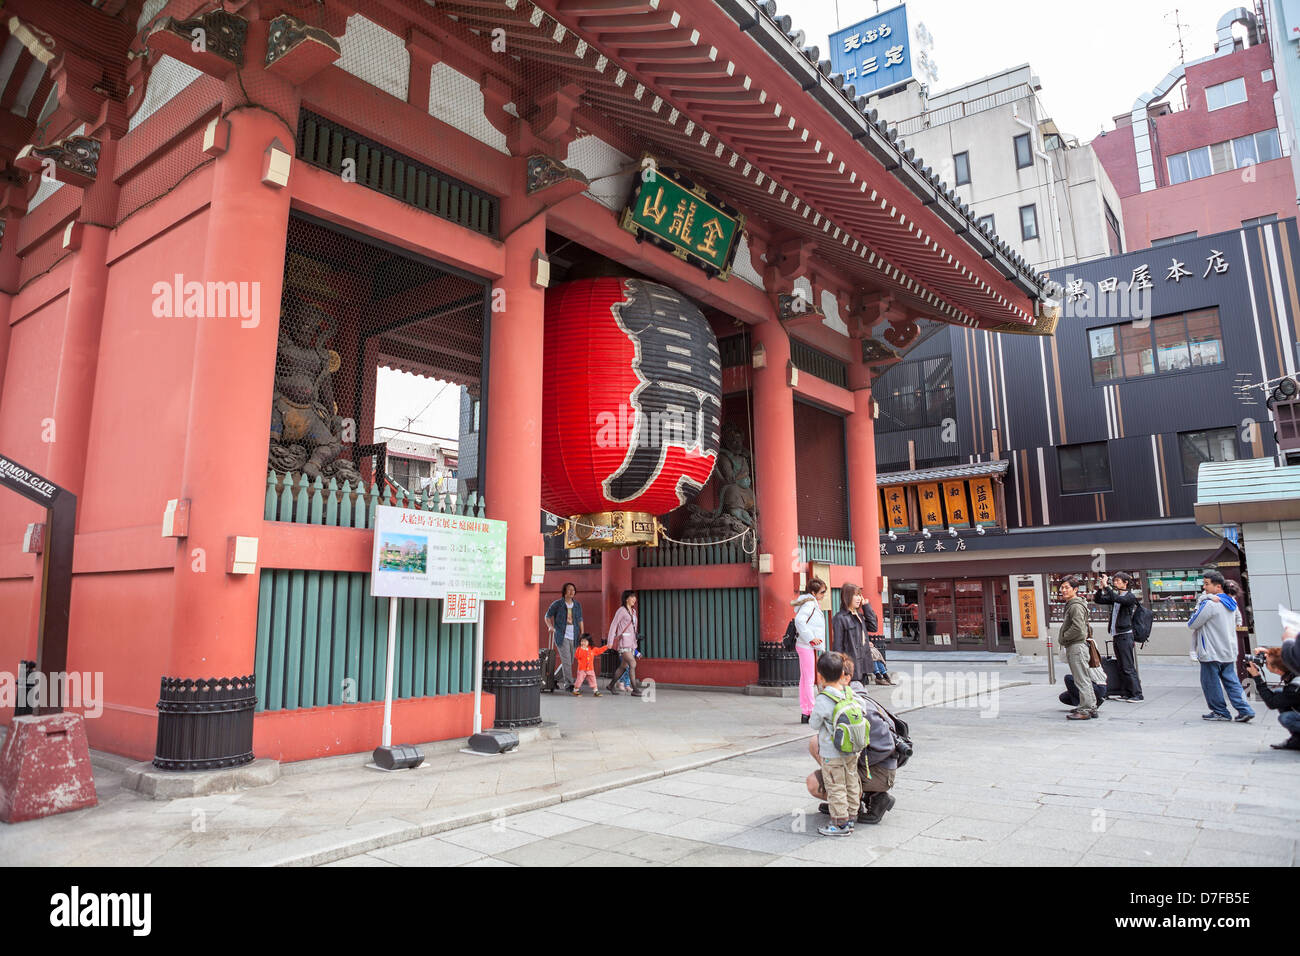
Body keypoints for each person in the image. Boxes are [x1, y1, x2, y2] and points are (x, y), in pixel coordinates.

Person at [806, 662, 900, 825]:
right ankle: (846, 802)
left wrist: (855, 759)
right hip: (858, 761)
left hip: (880, 771)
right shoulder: (842, 700)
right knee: (815, 743)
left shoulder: (859, 708)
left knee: (815, 783)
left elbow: (887, 747)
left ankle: (858, 802)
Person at [1188, 570, 1254, 723]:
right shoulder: (1232, 602)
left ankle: (1220, 711)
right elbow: (1238, 620)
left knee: (1210, 683)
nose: (1204, 587)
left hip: (1211, 651)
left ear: (1218, 586)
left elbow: (1192, 623)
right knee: (1232, 682)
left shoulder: (1210, 604)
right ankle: (1245, 709)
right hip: (1228, 650)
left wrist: (1199, 604)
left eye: (1207, 584)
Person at [809, 651, 863, 836]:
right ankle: (852, 816)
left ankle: (840, 824)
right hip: (853, 748)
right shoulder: (849, 693)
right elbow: (862, 709)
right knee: (851, 782)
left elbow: (813, 724)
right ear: (842, 674)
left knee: (835, 786)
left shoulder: (824, 699)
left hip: (832, 753)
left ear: (820, 676)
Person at [1094, 571, 1143, 701]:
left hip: (1125, 635)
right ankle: (1126, 692)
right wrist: (1100, 588)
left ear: (1125, 583)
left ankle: (1137, 694)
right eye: (1114, 581)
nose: (1115, 583)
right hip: (1117, 635)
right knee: (1121, 666)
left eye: (1118, 581)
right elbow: (1098, 599)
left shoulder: (1129, 597)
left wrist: (1107, 586)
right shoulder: (1117, 596)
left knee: (1128, 666)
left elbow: (1117, 598)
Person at [1245, 634, 1300, 750]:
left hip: (1294, 693)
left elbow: (1272, 702)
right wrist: (1269, 652)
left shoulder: (1294, 686)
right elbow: (1289, 654)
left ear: (1278, 670)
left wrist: (1257, 677)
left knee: (1286, 718)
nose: (1265, 663)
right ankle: (1297, 740)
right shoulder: (1295, 666)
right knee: (1280, 693)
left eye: (1267, 663)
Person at [1058, 575, 1097, 720]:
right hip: (1077, 645)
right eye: (1062, 587)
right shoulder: (1074, 604)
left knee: (1081, 679)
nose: (1063, 590)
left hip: (1076, 646)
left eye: (1067, 587)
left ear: (1075, 589)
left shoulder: (1075, 606)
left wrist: (1064, 637)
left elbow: (1079, 629)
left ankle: (1086, 709)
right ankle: (1090, 706)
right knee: (1083, 677)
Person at [792, 578, 827, 724]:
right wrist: (811, 638)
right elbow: (799, 621)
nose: (823, 595)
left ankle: (806, 710)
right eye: (822, 592)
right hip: (806, 644)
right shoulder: (810, 603)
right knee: (808, 679)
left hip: (806, 644)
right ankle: (810, 711)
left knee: (805, 679)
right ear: (813, 592)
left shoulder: (810, 603)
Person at [832, 583, 877, 684]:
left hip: (863, 665)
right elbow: (838, 646)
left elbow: (873, 627)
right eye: (855, 595)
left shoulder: (859, 616)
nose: (859, 598)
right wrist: (840, 667)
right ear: (847, 597)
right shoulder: (840, 618)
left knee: (861, 696)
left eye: (859, 595)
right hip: (850, 667)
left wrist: (866, 606)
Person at [543, 583, 582, 693]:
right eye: (569, 590)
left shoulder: (577, 605)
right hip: (561, 635)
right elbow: (547, 616)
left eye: (573, 590)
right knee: (566, 661)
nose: (572, 592)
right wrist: (550, 627)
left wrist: (582, 634)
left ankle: (553, 679)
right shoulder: (557, 604)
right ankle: (569, 684)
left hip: (574, 636)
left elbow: (580, 620)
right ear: (564, 591)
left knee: (570, 661)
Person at [607, 590, 641, 697]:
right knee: (632, 663)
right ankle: (635, 689)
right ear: (627, 598)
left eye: (635, 597)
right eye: (632, 597)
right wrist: (610, 641)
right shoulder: (621, 611)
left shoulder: (634, 612)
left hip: (631, 643)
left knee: (623, 666)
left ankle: (611, 685)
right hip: (623, 643)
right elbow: (613, 626)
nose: (634, 599)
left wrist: (635, 645)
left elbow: (633, 629)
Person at [571, 633, 610, 698]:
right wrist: (582, 650)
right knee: (579, 679)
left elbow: (599, 650)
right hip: (582, 669)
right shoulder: (579, 649)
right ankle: (576, 690)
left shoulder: (592, 649)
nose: (583, 643)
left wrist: (606, 647)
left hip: (590, 669)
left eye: (585, 641)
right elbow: (577, 656)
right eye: (582, 641)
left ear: (589, 642)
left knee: (593, 679)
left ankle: (595, 691)